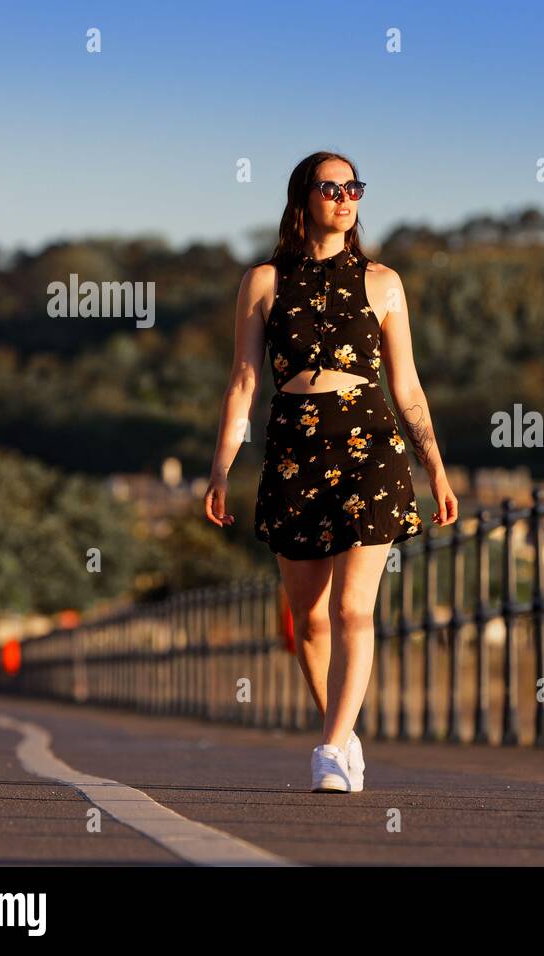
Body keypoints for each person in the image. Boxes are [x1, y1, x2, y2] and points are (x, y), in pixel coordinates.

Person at [204, 151, 457, 792]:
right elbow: (244, 380)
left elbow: (409, 388)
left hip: (369, 447)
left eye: (355, 187)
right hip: (293, 451)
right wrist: (220, 468)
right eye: (331, 187)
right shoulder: (262, 282)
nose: (346, 198)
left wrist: (436, 469)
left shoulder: (383, 281)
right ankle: (342, 733)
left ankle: (329, 749)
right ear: (302, 199)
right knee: (309, 618)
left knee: (351, 609)